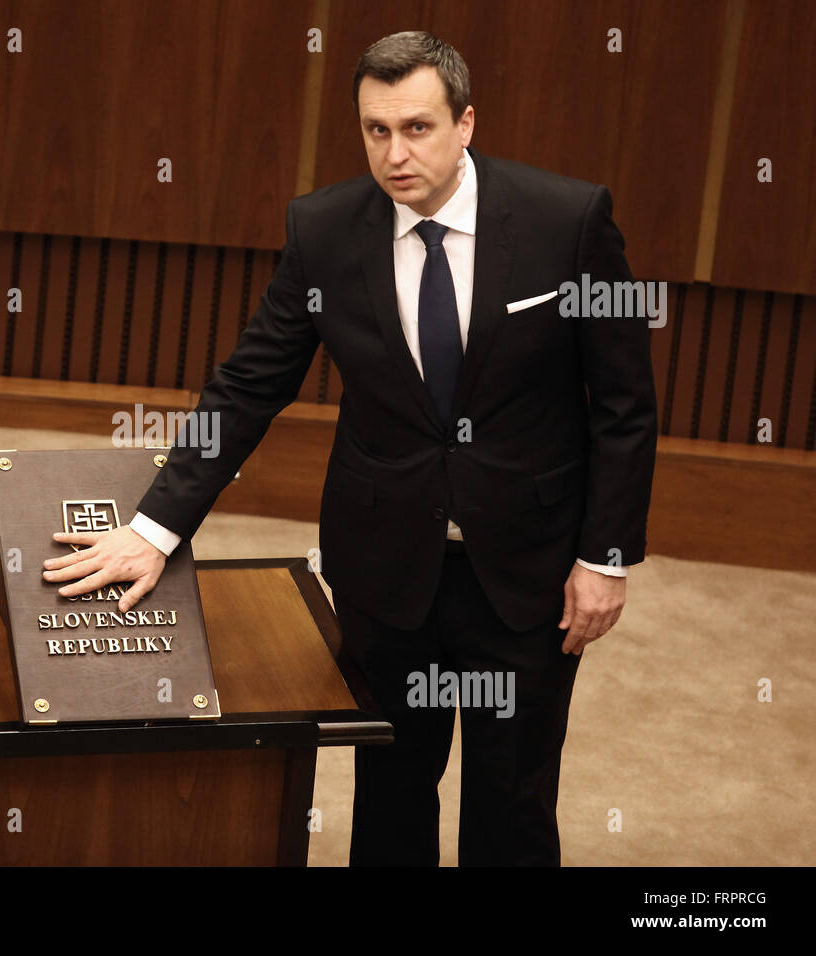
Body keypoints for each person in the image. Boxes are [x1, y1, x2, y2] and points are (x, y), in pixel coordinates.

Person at [41, 31, 657, 866]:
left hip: (530, 569)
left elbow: (623, 406)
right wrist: (156, 526)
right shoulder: (324, 230)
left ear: (466, 122)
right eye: (376, 131)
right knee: (392, 794)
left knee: (512, 805)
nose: (396, 154)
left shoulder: (568, 220)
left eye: (417, 128)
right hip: (386, 570)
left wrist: (606, 558)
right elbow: (251, 384)